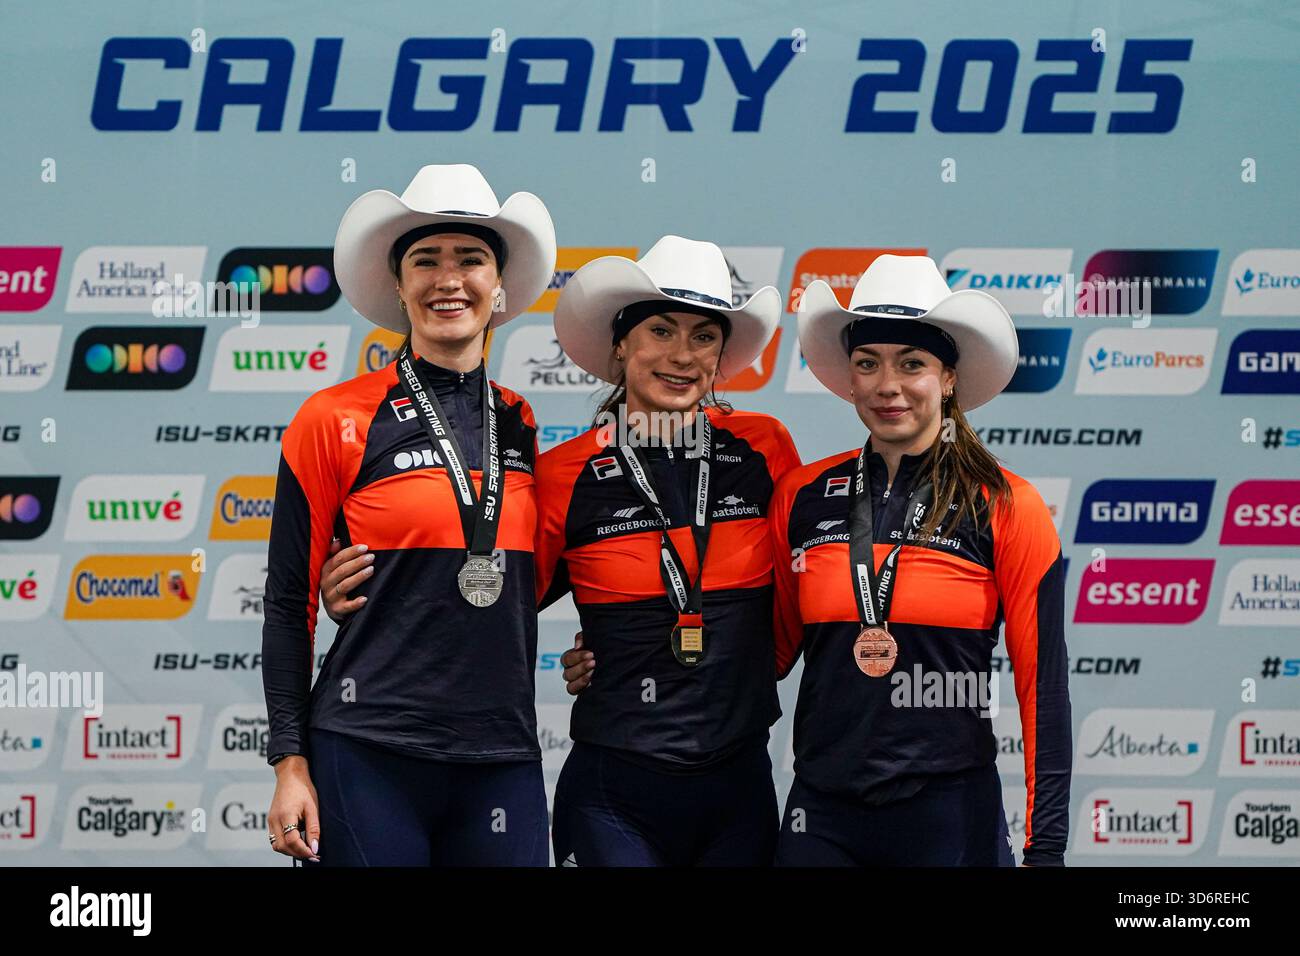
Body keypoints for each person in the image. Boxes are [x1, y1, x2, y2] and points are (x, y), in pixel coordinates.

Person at [261, 163, 557, 866]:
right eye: (425, 260)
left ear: (500, 286)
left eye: (471, 260)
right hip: (368, 750)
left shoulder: (519, 420)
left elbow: (530, 575)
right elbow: (287, 604)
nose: (448, 279)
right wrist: (288, 763)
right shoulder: (333, 417)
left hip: (502, 752)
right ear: (398, 285)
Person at [769, 254, 1072, 866]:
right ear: (848, 378)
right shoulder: (801, 496)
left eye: (912, 364)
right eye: (868, 363)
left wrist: (1048, 850)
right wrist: (620, 656)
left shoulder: (1008, 504)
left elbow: (1042, 688)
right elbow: (761, 657)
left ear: (949, 378)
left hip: (950, 817)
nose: (889, 385)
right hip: (821, 816)